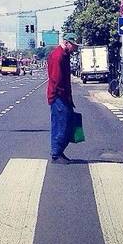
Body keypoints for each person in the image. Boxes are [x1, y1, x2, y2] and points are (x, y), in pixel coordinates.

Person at [46, 31, 79, 163]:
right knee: (61, 124)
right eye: (74, 46)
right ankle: (56, 153)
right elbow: (56, 79)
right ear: (67, 43)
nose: (75, 49)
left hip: (63, 96)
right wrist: (58, 97)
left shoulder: (64, 55)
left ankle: (59, 151)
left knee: (66, 123)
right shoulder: (58, 56)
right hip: (59, 96)